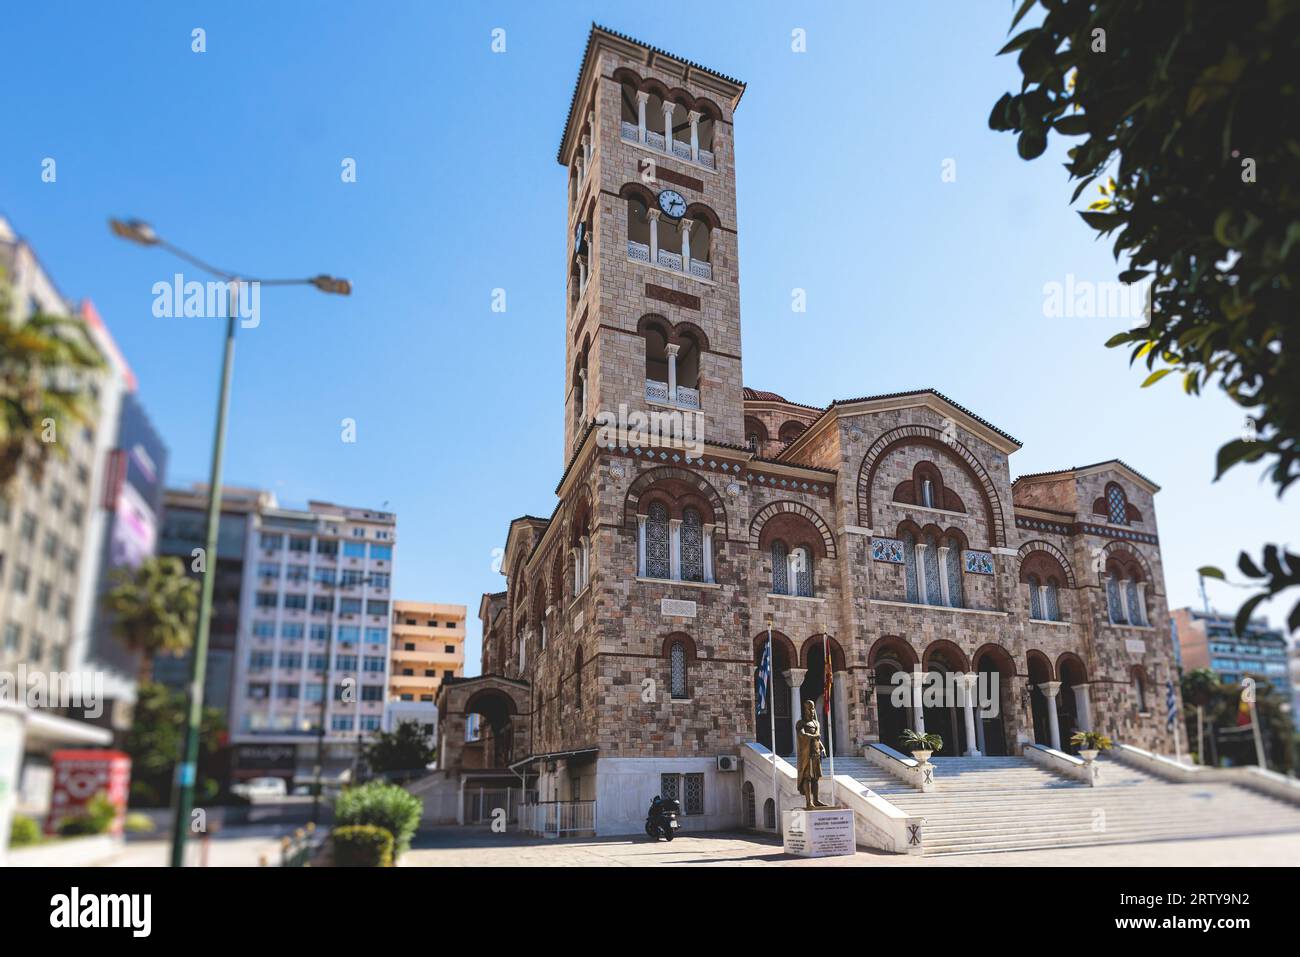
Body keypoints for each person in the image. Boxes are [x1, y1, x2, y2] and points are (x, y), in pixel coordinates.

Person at [796, 699, 828, 809]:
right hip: (806, 755)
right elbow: (803, 736)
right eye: (809, 708)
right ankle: (809, 802)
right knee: (807, 777)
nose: (812, 711)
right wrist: (814, 736)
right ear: (805, 710)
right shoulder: (801, 724)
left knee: (816, 778)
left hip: (816, 754)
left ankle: (816, 799)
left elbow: (818, 740)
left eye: (813, 708)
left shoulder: (816, 723)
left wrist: (822, 748)